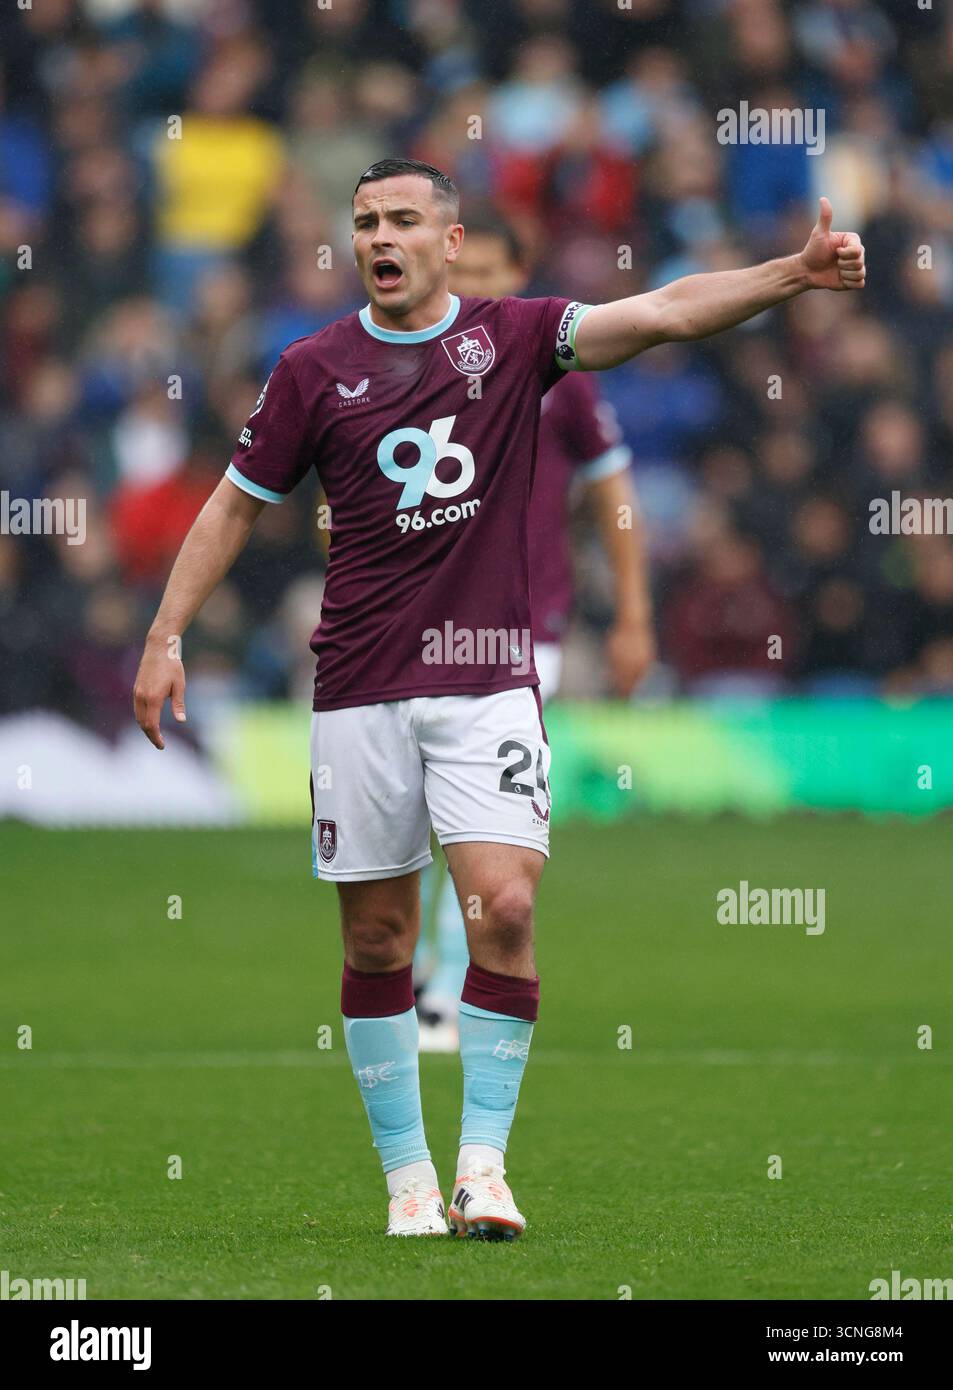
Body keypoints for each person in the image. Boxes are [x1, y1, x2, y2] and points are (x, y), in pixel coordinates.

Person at [133, 158, 865, 1240]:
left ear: (447, 235)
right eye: (364, 221)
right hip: (359, 688)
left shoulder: (513, 338)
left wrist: (790, 275)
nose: (379, 237)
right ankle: (407, 1181)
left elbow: (659, 312)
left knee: (505, 907)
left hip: (487, 682)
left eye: (401, 221)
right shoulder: (309, 370)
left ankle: (482, 1166)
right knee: (379, 941)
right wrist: (163, 632)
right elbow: (234, 509)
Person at [415, 208, 655, 1052]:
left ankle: (445, 990)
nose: (474, 285)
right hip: (415, 627)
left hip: (522, 627)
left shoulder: (557, 372)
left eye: (490, 270)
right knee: (412, 816)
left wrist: (631, 614)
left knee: (479, 818)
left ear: (520, 277)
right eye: (462, 268)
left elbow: (613, 496)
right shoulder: (413, 364)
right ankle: (417, 970)